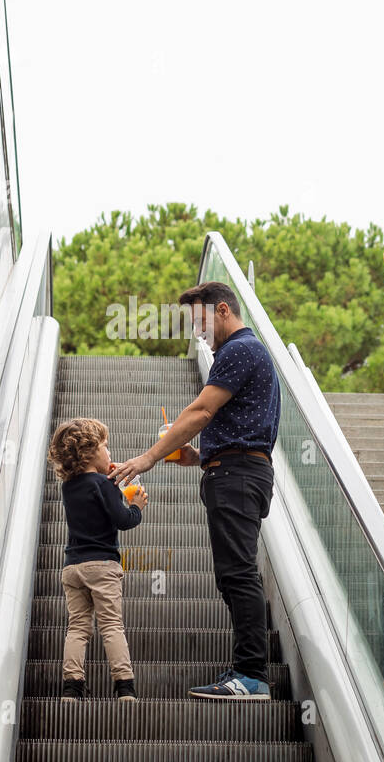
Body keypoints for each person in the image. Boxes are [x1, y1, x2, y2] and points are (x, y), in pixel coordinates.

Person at [111, 281, 281, 700]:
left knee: (238, 573)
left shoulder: (239, 349)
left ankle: (252, 675)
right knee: (232, 574)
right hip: (236, 472)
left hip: (238, 477)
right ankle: (247, 670)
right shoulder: (247, 352)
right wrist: (198, 457)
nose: (198, 333)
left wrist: (147, 458)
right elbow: (241, 426)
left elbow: (203, 410)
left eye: (201, 322)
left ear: (223, 310)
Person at [47, 417, 147, 700]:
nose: (110, 453)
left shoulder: (69, 487)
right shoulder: (104, 484)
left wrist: (110, 483)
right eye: (105, 447)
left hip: (72, 567)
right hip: (102, 565)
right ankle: (124, 686)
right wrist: (136, 506)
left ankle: (72, 686)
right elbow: (123, 520)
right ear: (89, 453)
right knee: (111, 625)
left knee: (78, 627)